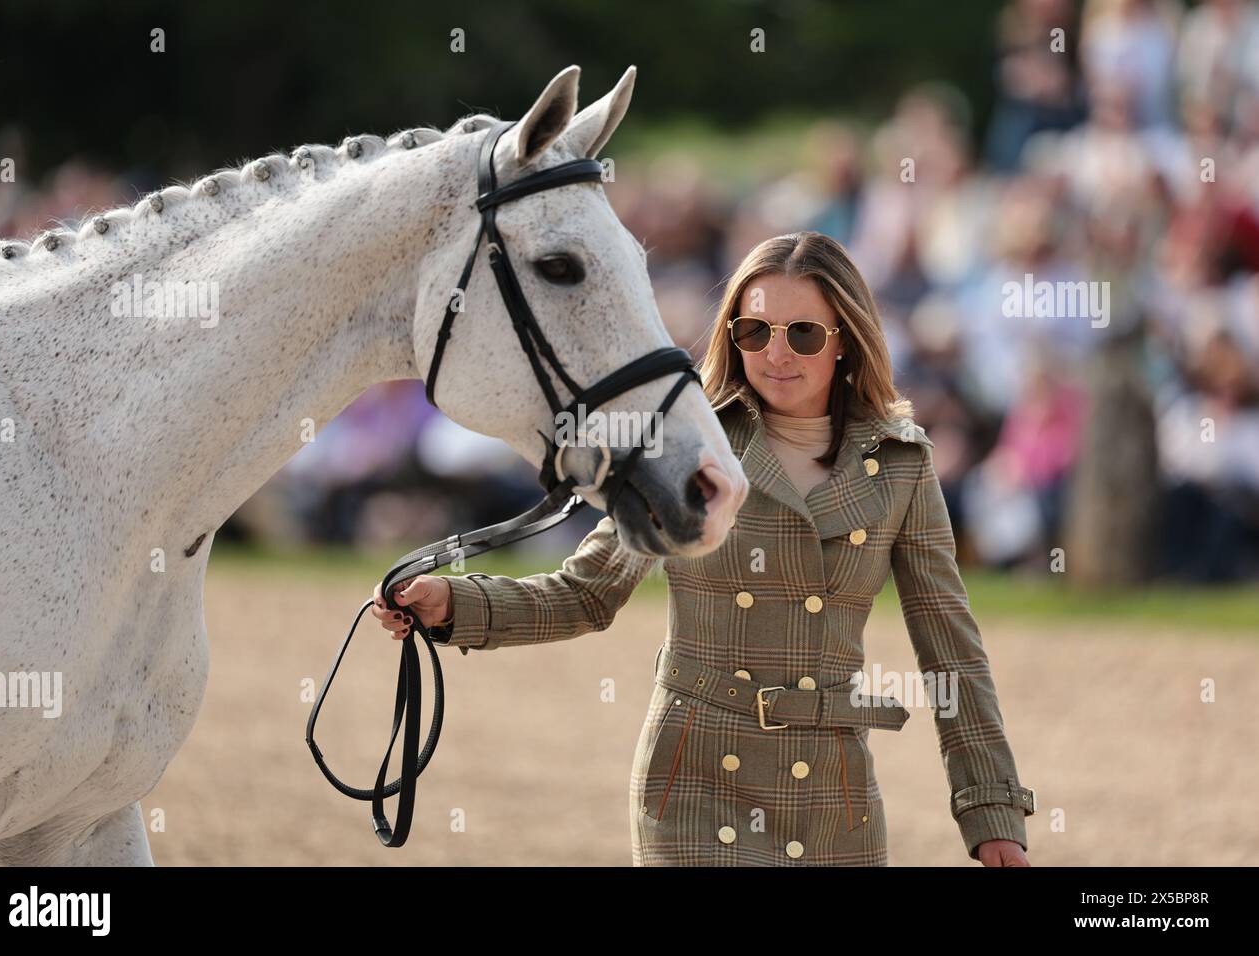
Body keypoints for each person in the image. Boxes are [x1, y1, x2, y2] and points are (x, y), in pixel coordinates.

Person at [373, 231, 1034, 866]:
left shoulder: (901, 464)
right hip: (691, 787)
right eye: (755, 332)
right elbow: (587, 595)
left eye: (802, 333)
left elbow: (950, 648)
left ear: (845, 341)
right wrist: (453, 602)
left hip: (835, 799)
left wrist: (992, 812)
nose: (776, 353)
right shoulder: (687, 448)